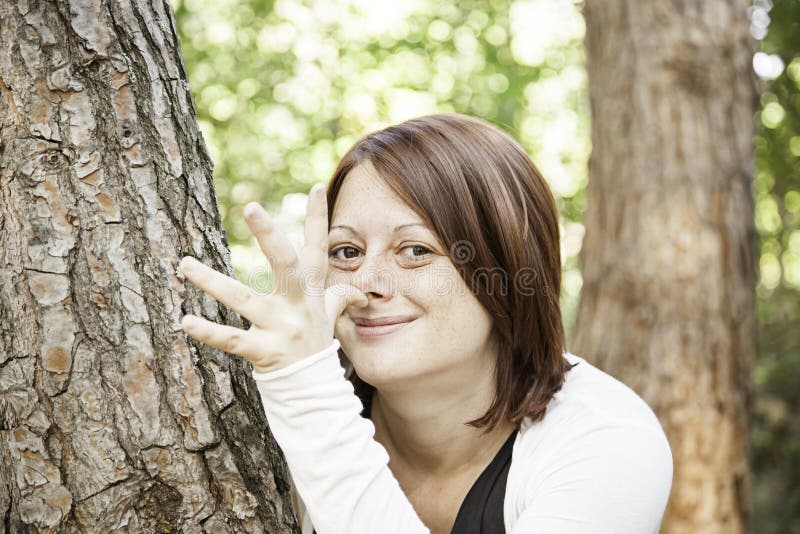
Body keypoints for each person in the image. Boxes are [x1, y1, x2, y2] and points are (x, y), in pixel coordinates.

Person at [178, 113, 674, 534]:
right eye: (346, 252)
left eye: (415, 251)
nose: (368, 282)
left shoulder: (605, 439)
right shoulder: (271, 418)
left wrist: (305, 389)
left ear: (501, 270)